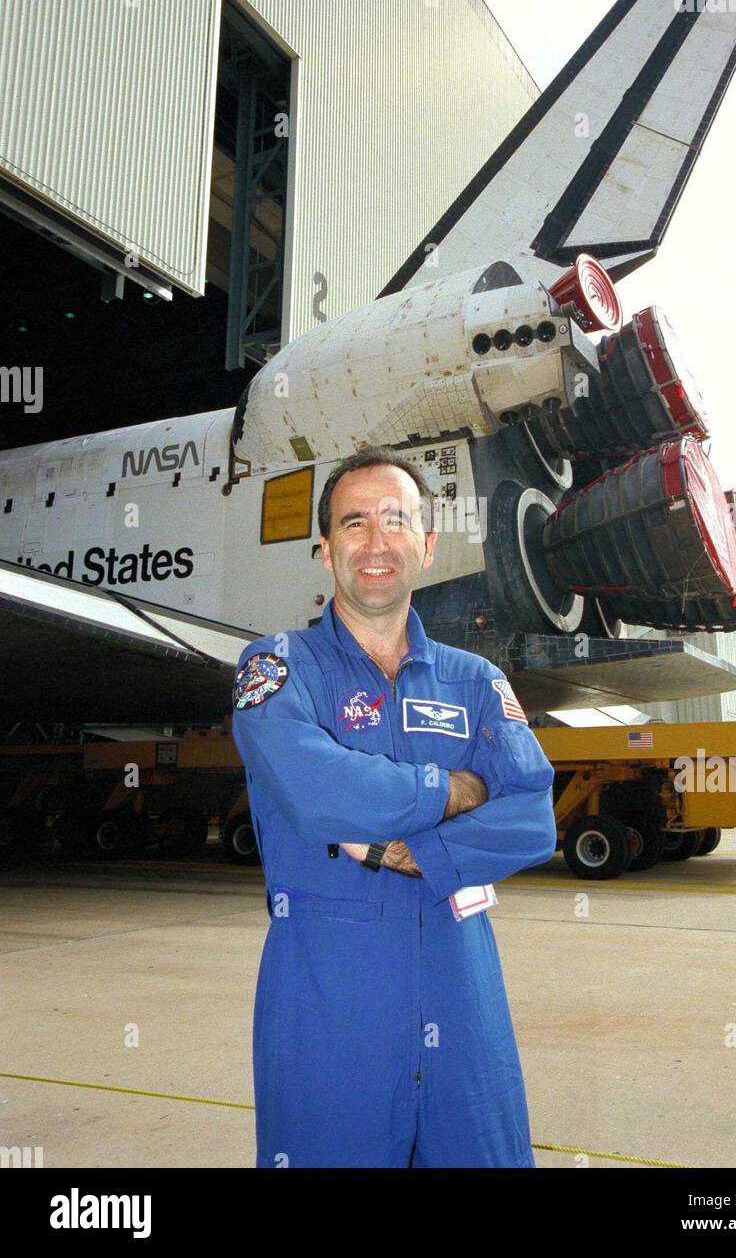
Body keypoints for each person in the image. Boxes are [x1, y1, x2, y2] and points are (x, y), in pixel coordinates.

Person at [231, 445, 556, 1168]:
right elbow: (319, 793)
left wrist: (419, 850)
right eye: (353, 524)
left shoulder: (476, 681)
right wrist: (457, 790)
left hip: (463, 996)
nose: (375, 543)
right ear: (324, 550)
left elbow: (533, 814)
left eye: (395, 520)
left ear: (428, 545)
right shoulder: (277, 668)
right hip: (326, 1001)